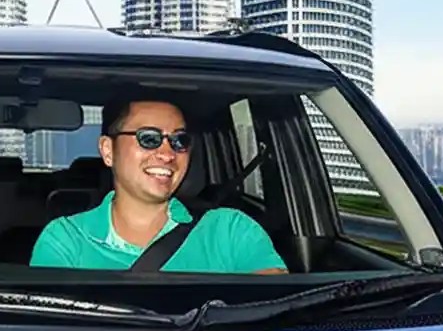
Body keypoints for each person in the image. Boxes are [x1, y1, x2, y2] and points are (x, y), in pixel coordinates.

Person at [29, 97, 287, 274]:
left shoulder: (230, 231)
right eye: (149, 138)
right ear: (108, 151)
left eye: (179, 140)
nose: (167, 153)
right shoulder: (66, 240)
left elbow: (277, 319)